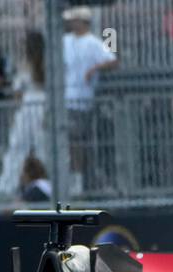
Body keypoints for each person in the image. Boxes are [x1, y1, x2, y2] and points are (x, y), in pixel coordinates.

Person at [62, 5, 118, 194]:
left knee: (77, 141)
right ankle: (68, 178)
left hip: (81, 100)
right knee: (67, 141)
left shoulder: (93, 42)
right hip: (64, 98)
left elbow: (112, 61)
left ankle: (78, 181)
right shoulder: (65, 41)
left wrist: (94, 69)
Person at [0, 30, 48, 196]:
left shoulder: (25, 65)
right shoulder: (48, 64)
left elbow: (17, 93)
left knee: (18, 147)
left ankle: (7, 185)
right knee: (44, 146)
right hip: (44, 105)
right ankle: (48, 183)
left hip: (28, 106)